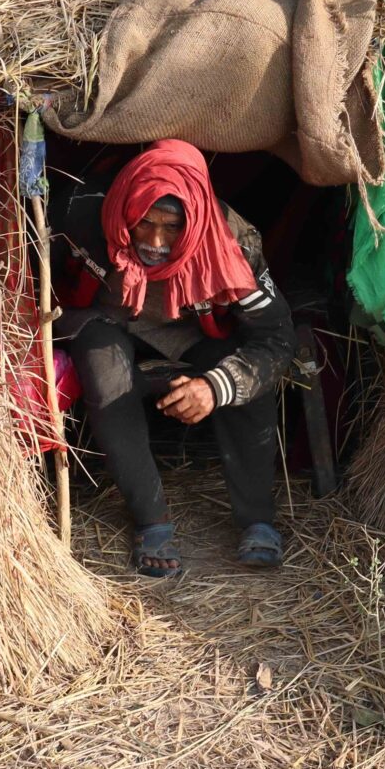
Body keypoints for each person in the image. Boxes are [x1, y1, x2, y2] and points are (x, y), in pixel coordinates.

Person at [52, 140, 294, 577]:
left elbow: (275, 339)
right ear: (126, 207)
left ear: (194, 222)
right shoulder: (81, 212)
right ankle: (152, 522)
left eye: (172, 227)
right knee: (105, 373)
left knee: (241, 369)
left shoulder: (232, 245)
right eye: (145, 223)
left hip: (191, 332)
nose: (157, 242)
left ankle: (258, 519)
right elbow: (29, 280)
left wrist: (215, 386)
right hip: (107, 319)